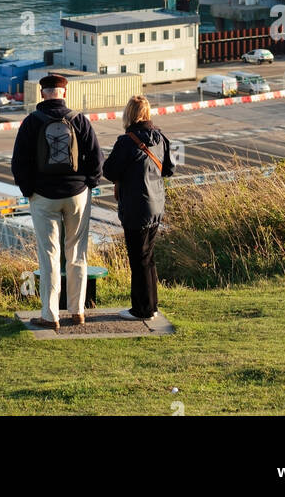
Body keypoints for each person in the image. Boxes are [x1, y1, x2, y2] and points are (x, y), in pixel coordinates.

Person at [11, 73, 103, 331]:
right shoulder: (79, 120)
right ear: (65, 92)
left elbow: (18, 163)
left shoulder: (31, 122)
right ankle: (78, 311)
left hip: (43, 197)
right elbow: (97, 158)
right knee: (77, 253)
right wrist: (88, 185)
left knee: (49, 255)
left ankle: (50, 315)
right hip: (77, 195)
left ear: (42, 93)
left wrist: (29, 191)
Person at [102, 95, 174, 322]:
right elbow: (169, 169)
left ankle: (141, 309)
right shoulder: (161, 138)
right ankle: (151, 306)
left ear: (129, 114)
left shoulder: (127, 141)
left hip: (136, 205)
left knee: (138, 258)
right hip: (156, 203)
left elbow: (109, 170)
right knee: (148, 257)